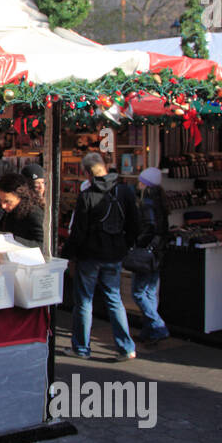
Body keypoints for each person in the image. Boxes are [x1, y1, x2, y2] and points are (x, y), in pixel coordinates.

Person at [63, 152, 139, 360]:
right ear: (105, 167)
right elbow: (134, 223)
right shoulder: (124, 191)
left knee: (84, 302)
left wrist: (68, 253)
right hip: (114, 253)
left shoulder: (87, 196)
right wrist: (125, 245)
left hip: (90, 255)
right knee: (114, 299)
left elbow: (78, 231)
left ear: (86, 173)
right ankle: (126, 347)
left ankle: (81, 348)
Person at [129, 167, 170, 343]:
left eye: (141, 181)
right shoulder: (161, 202)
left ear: (146, 184)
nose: (138, 184)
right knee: (150, 292)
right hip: (158, 252)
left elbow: (149, 227)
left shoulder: (147, 203)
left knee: (138, 292)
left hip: (147, 252)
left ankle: (157, 325)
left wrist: (138, 243)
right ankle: (150, 329)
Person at [0, 169, 47, 247]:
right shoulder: (10, 211)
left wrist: (11, 239)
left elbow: (42, 244)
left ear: (20, 197)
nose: (3, 205)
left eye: (7, 201)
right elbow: (1, 228)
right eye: (0, 200)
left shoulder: (34, 213)